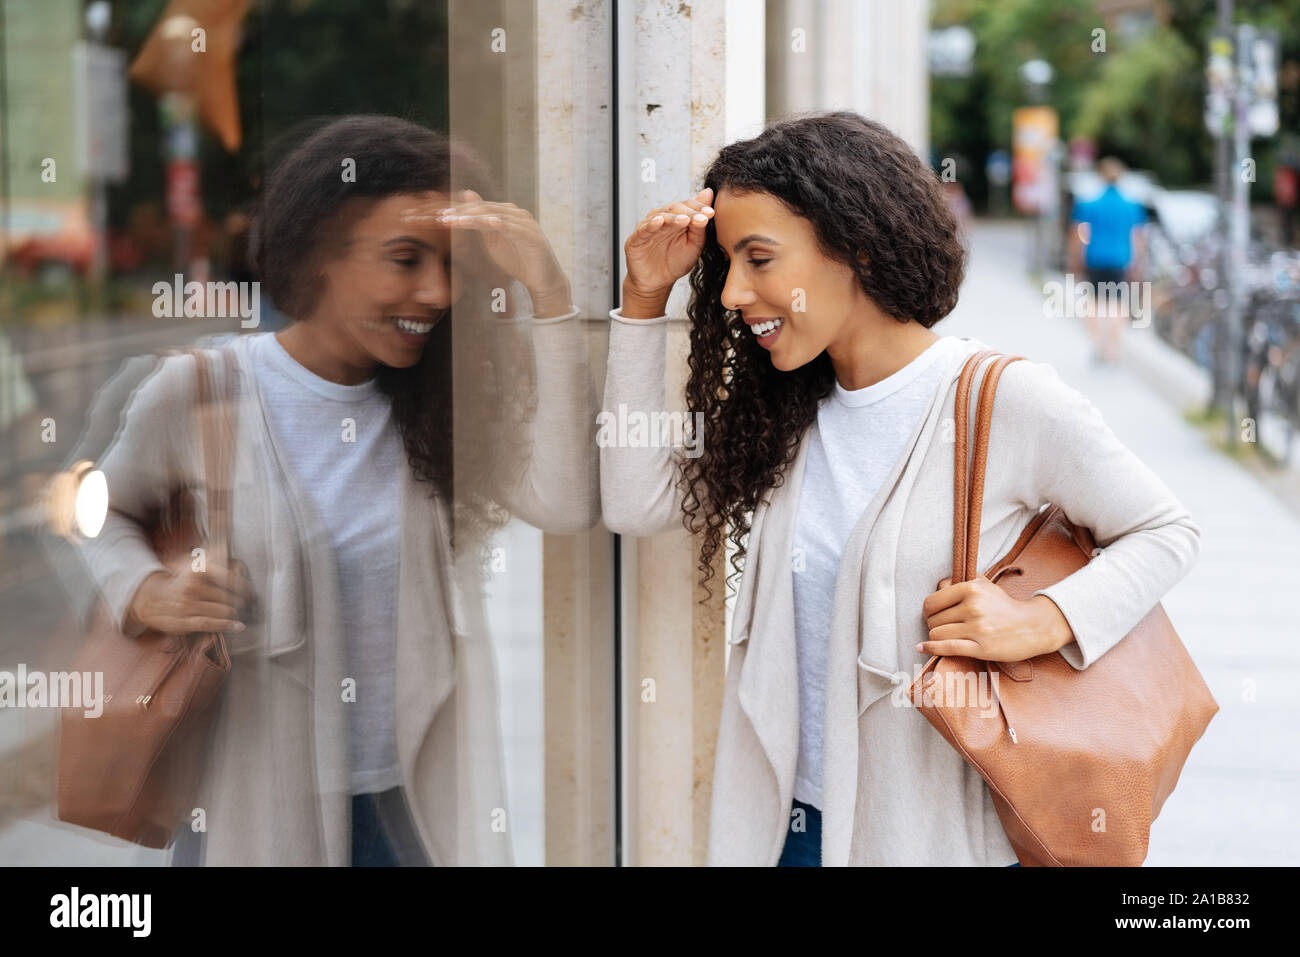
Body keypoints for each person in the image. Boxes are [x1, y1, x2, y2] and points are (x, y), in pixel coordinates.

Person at [602, 111, 1201, 866]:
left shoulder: (1004, 399)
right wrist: (642, 300)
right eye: (727, 267)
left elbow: (1167, 530)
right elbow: (634, 501)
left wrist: (1045, 618)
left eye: (759, 258)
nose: (731, 296)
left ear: (854, 244)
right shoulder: (784, 414)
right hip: (788, 826)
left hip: (932, 837)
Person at [78, 114, 598, 865]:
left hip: (409, 804)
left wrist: (548, 293)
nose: (438, 291)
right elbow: (104, 509)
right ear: (320, 254)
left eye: (451, 264)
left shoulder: (440, 405)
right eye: (405, 259)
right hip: (250, 804)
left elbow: (565, 500)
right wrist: (145, 589)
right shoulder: (203, 389)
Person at [1069, 156, 1147, 365]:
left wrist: (1076, 257)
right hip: (1120, 259)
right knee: (1116, 304)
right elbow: (1137, 237)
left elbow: (1080, 234)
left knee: (1093, 303)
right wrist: (1137, 261)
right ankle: (1112, 348)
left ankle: (1099, 345)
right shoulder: (1131, 206)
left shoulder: (1089, 205)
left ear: (1100, 176)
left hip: (1094, 258)